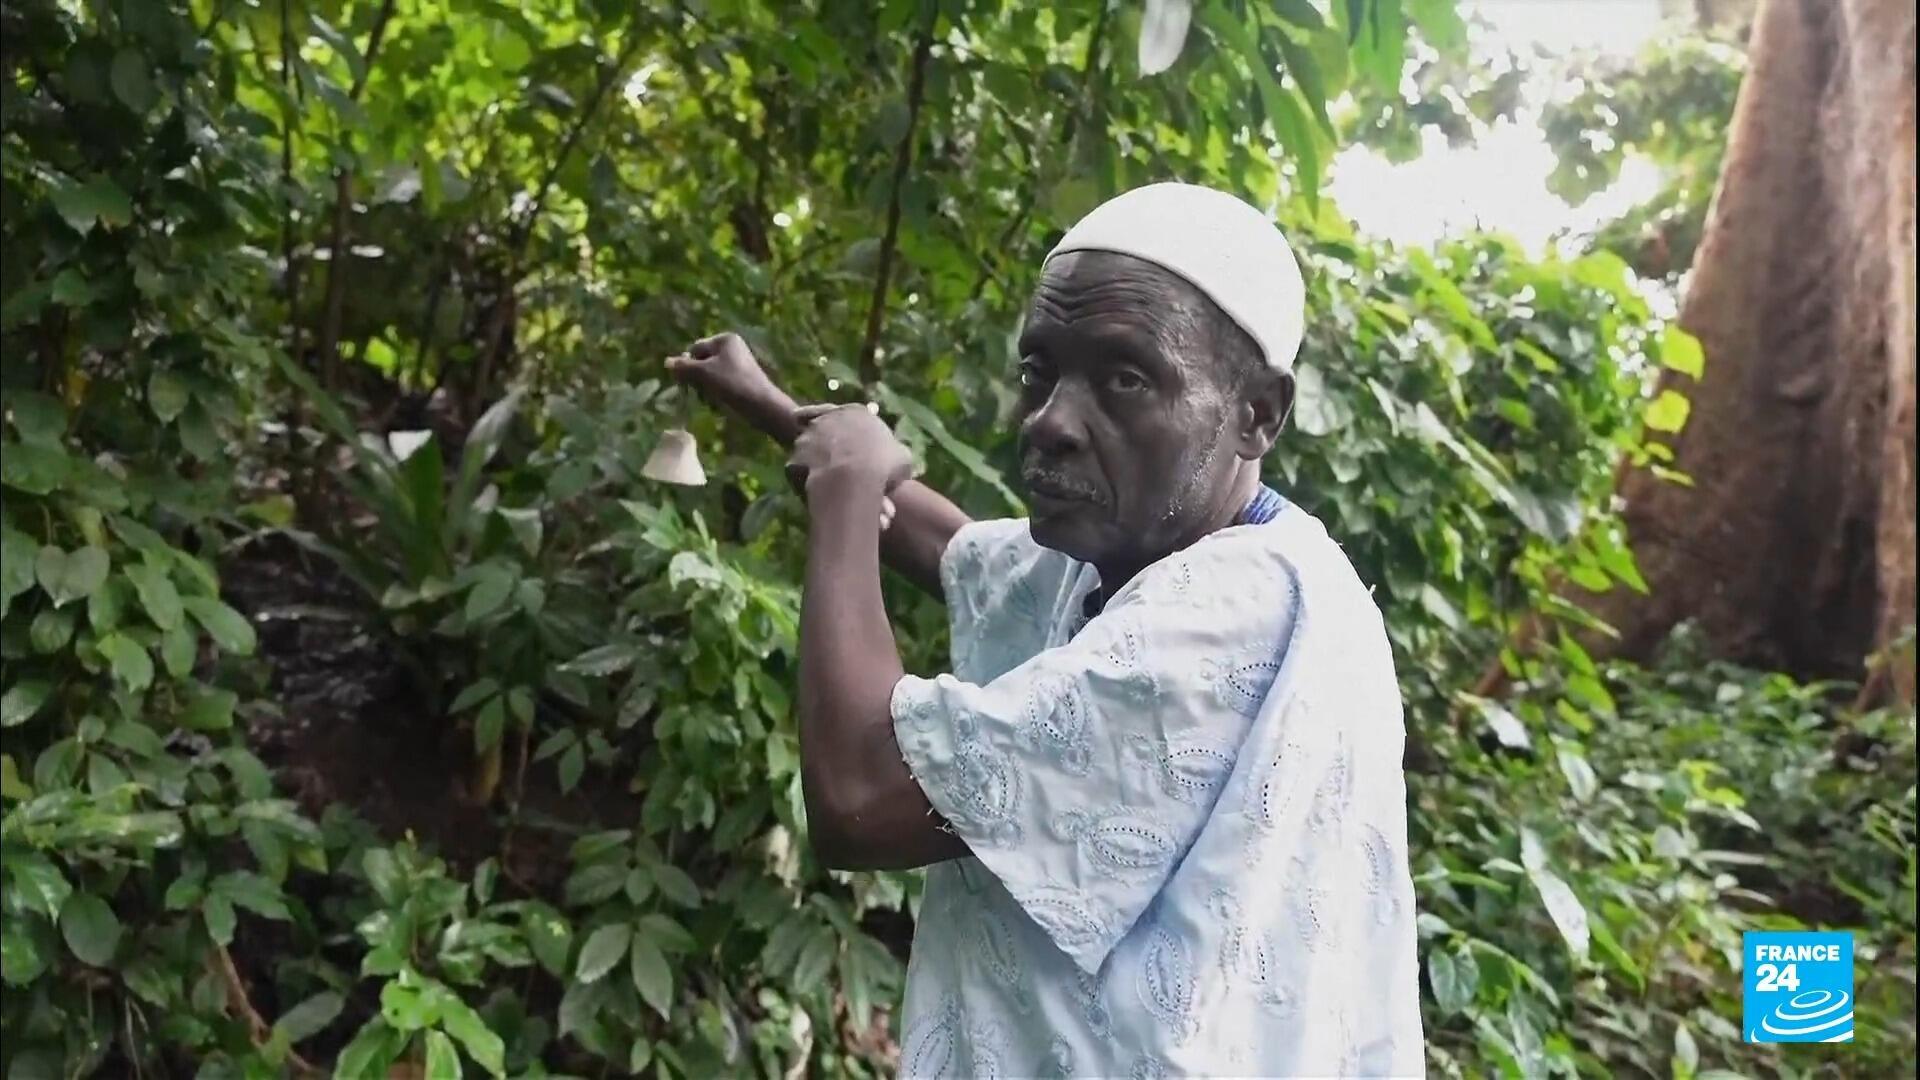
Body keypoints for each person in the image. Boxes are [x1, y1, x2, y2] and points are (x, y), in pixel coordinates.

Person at [669, 183, 1421, 1079]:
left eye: (1125, 378)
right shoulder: (1187, 545)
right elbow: (954, 548)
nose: (1050, 420)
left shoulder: (1226, 621)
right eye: (1040, 371)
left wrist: (842, 495)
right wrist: (772, 408)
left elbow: (860, 799)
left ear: (1257, 411)